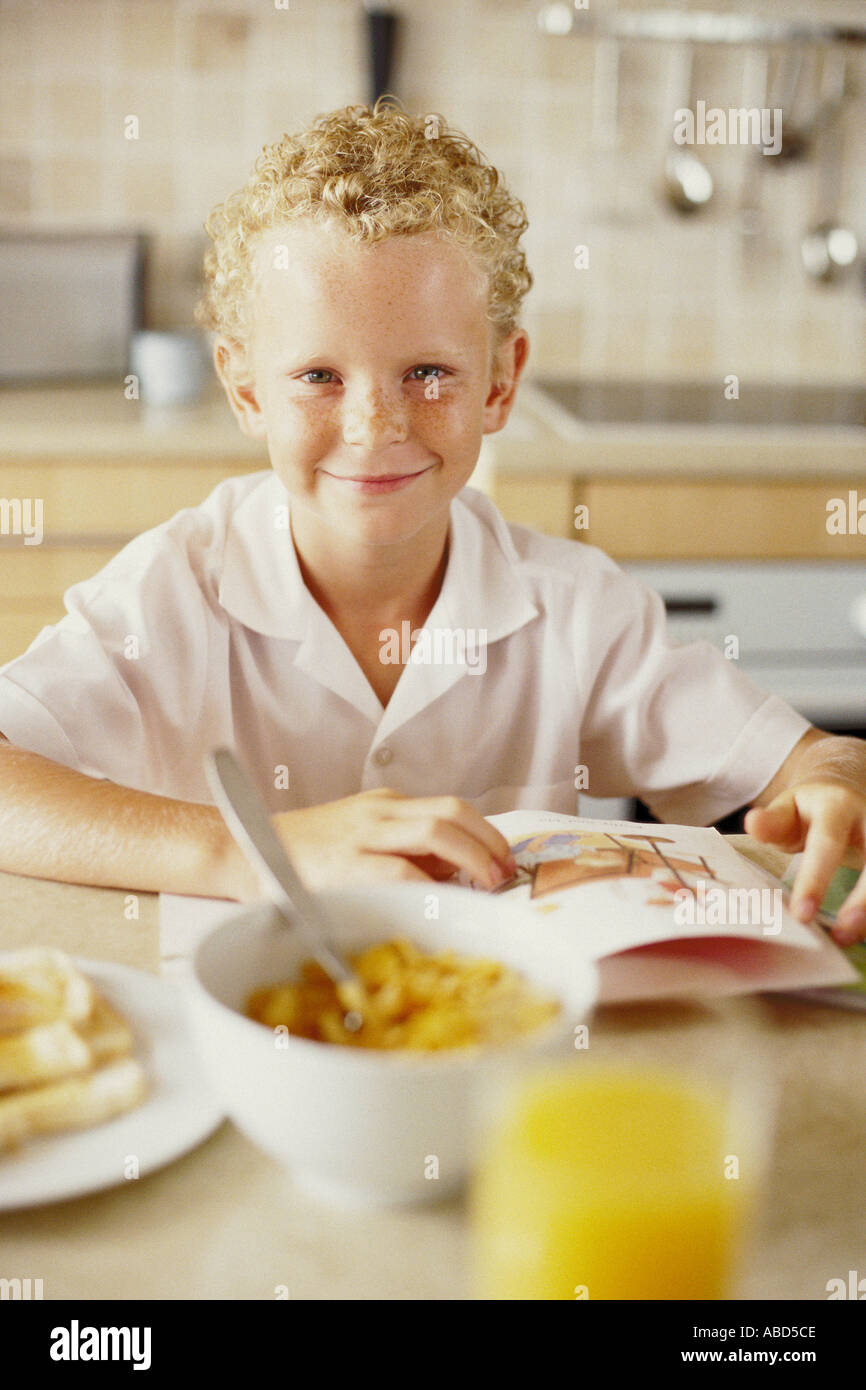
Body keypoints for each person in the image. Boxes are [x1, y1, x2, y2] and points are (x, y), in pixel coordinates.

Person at [0, 100, 863, 945]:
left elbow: (807, 763)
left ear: (499, 380)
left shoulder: (576, 612)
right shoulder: (171, 593)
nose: (377, 426)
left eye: (427, 372)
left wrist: (835, 779)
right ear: (245, 388)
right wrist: (249, 851)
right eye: (318, 376)